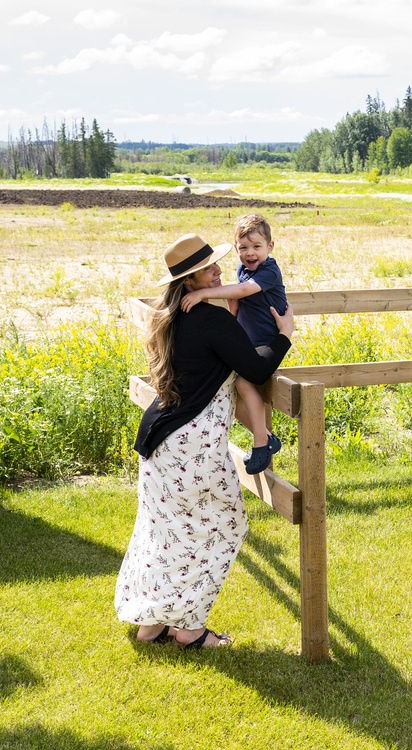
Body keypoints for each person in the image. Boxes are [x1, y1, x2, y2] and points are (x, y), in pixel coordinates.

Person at [115, 232, 294, 649]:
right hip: (190, 447)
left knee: (164, 533)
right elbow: (255, 366)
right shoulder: (210, 320)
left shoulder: (173, 315)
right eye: (209, 268)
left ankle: (152, 624)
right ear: (192, 281)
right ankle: (190, 630)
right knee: (222, 527)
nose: (219, 271)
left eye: (216, 265)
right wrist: (284, 334)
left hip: (159, 442)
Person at [180, 214, 288, 475]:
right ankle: (265, 436)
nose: (250, 253)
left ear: (270, 247)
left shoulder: (269, 271)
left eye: (257, 247)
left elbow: (241, 292)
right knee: (232, 386)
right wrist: (232, 318)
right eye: (243, 248)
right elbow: (237, 302)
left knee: (242, 383)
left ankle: (261, 443)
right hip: (248, 341)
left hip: (267, 341)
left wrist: (203, 292)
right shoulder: (243, 270)